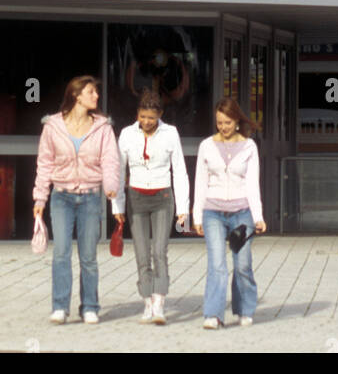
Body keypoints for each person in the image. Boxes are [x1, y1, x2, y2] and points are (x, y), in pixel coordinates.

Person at [33, 75, 120, 325]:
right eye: (91, 92)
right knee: (61, 252)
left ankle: (90, 306)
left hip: (91, 198)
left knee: (88, 255)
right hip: (61, 197)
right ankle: (60, 307)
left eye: (96, 92)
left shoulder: (103, 127)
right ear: (76, 95)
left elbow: (111, 160)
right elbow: (44, 163)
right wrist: (40, 198)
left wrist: (111, 186)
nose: (96, 96)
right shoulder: (52, 126)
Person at [113, 89, 190, 325]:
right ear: (137, 113)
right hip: (136, 197)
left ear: (160, 115)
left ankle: (159, 302)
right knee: (142, 253)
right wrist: (117, 205)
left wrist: (183, 207)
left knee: (159, 251)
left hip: (162, 197)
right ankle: (147, 301)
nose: (146, 122)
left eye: (151, 117)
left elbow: (179, 169)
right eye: (142, 116)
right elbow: (119, 171)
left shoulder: (170, 133)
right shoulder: (126, 134)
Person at [193, 97, 266, 329]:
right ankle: (213, 314)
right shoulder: (206, 145)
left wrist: (258, 216)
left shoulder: (249, 147)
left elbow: (253, 184)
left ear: (236, 121)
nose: (222, 127)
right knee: (217, 264)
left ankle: (244, 309)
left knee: (242, 263)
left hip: (241, 213)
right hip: (213, 212)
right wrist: (196, 216)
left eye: (227, 122)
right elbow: (200, 183)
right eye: (219, 122)